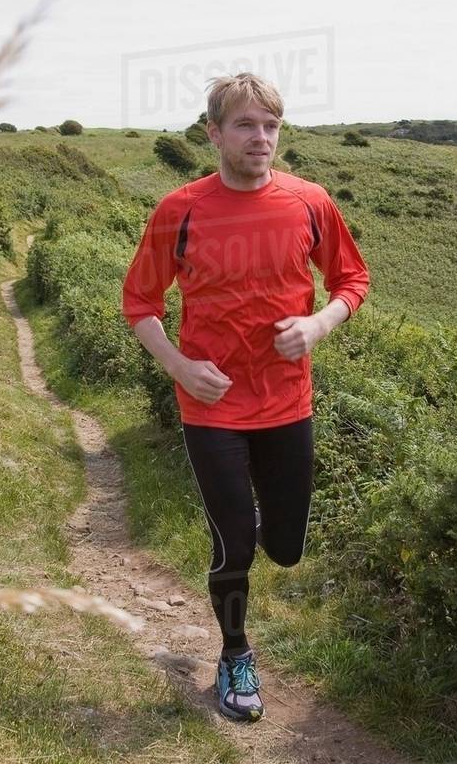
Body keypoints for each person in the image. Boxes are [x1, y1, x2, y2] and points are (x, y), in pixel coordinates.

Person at [120, 72, 370, 722]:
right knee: (233, 545)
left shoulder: (310, 202)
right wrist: (179, 366)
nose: (261, 138)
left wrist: (318, 325)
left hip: (287, 402)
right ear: (214, 133)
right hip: (213, 407)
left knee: (284, 548)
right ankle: (235, 653)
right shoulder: (180, 210)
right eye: (245, 125)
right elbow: (140, 301)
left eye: (270, 125)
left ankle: (248, 520)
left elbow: (351, 279)